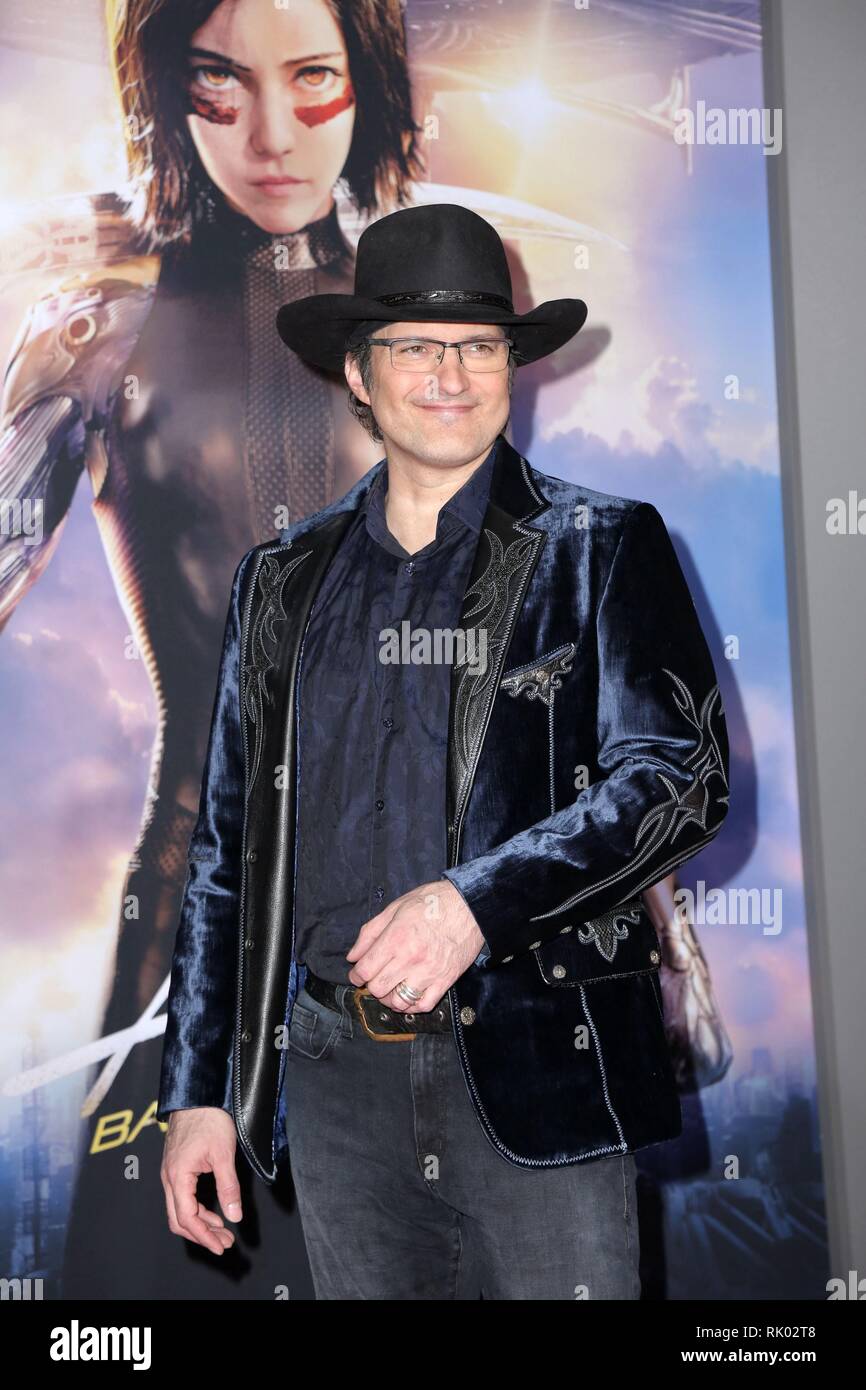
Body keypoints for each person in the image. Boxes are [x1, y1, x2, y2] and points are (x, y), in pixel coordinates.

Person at [157, 202, 731, 1299]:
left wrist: (472, 903)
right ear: (358, 376)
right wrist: (196, 1092)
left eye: (478, 346)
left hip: (537, 1065)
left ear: (512, 366)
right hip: (333, 1089)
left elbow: (676, 777)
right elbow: (227, 848)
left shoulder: (600, 545)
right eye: (414, 347)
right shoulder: (277, 580)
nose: (450, 375)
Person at [0, 0, 418, 1298]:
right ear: (171, 88)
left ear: (365, 81)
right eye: (223, 82)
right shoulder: (102, 308)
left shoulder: (427, 297)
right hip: (196, 911)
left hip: (433, 911)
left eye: (312, 77)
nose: (275, 131)